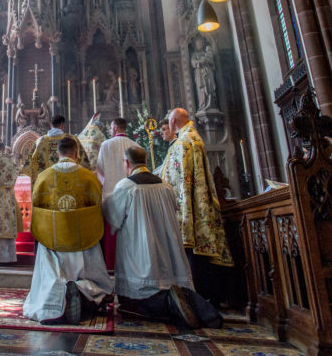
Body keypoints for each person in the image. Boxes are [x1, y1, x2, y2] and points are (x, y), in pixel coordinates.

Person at [103, 145, 222, 328]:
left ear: (127, 163)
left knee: (140, 299)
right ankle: (181, 302)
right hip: (168, 252)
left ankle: (167, 304)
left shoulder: (126, 187)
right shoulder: (165, 185)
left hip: (140, 254)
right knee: (169, 284)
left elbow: (112, 216)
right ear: (146, 162)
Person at [23, 137, 112, 325]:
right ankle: (83, 291)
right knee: (93, 278)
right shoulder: (89, 177)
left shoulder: (44, 177)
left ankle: (55, 300)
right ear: (77, 154)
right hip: (83, 241)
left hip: (53, 241)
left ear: (57, 154)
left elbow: (37, 212)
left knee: (51, 276)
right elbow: (97, 210)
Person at [162, 108, 233, 304]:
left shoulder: (184, 143)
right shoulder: (192, 138)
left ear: (174, 120)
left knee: (194, 259)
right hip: (196, 205)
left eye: (168, 121)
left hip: (187, 210)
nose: (167, 126)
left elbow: (177, 181)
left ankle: (198, 299)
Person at [95, 117, 138, 270]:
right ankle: (131, 265)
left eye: (111, 127)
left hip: (111, 195)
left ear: (114, 128)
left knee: (112, 234)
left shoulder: (106, 145)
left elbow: (99, 171)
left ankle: (111, 264)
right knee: (130, 231)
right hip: (131, 195)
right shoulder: (135, 145)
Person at [25, 114, 89, 183]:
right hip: (69, 181)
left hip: (47, 183)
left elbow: (29, 165)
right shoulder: (72, 139)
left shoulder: (40, 141)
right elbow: (84, 162)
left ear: (50, 125)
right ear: (62, 125)